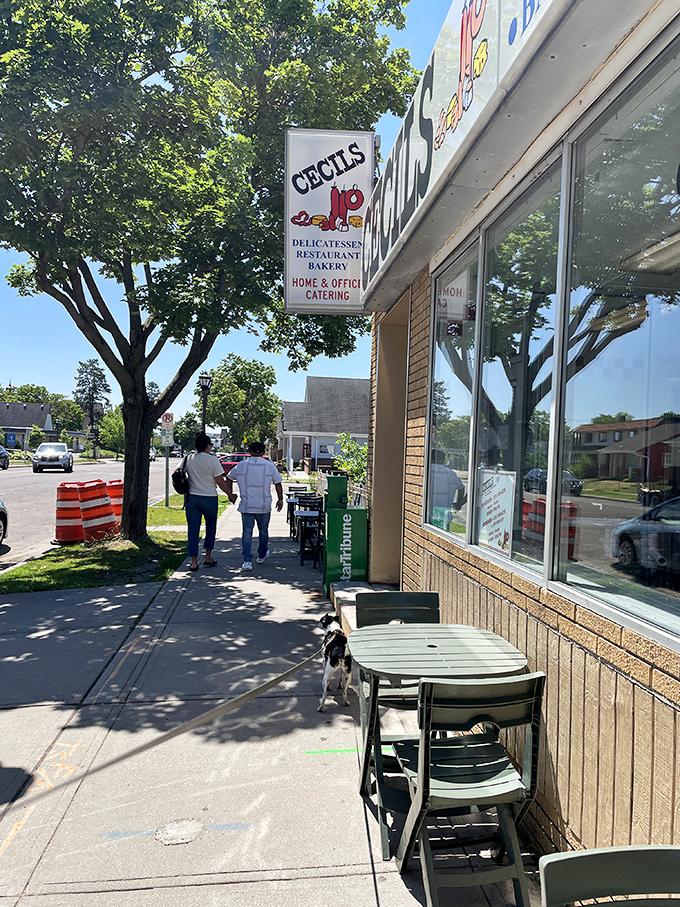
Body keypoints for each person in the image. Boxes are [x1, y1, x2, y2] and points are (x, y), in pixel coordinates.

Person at [225, 441, 284, 570]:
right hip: (264, 505)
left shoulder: (241, 466)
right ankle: (261, 554)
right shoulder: (269, 466)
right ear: (263, 452)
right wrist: (280, 499)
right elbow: (278, 483)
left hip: (246, 505)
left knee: (247, 532)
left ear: (250, 452)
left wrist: (231, 494)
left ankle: (247, 560)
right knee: (263, 531)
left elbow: (228, 478)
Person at [184, 432, 233, 572]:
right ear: (207, 446)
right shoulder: (213, 460)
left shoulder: (189, 458)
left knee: (193, 529)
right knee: (210, 527)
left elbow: (179, 473)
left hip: (192, 497)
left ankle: (193, 561)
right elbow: (220, 481)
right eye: (210, 445)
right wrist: (230, 494)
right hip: (210, 497)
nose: (211, 447)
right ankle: (208, 557)